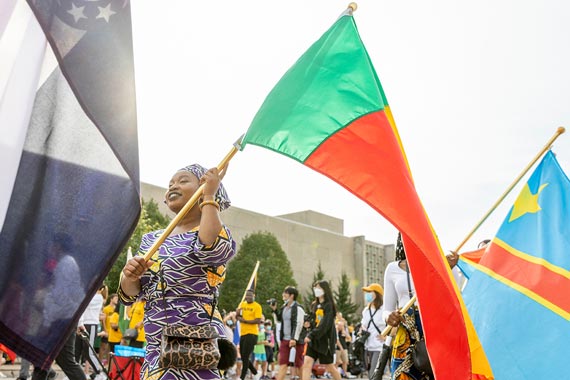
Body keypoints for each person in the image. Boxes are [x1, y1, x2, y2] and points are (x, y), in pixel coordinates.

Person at [119, 164, 237, 380]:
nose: (174, 186)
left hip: (195, 344)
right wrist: (129, 276)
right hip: (158, 345)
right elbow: (130, 295)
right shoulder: (151, 239)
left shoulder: (210, 231)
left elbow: (212, 248)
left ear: (203, 188)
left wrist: (209, 195)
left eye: (183, 181)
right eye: (170, 184)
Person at [383, 233, 454, 380]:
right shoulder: (392, 269)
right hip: (405, 337)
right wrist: (389, 317)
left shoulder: (437, 265)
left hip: (433, 334)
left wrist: (448, 272)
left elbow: (449, 303)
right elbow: (387, 309)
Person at [301, 280, 342, 380]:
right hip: (314, 340)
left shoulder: (329, 306)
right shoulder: (314, 305)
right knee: (306, 364)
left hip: (325, 340)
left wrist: (311, 335)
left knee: (330, 367)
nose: (316, 290)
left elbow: (325, 325)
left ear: (325, 289)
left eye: (319, 288)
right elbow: (313, 320)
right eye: (315, 288)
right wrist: (308, 323)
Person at [269, 286, 305, 380]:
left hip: (296, 341)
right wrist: (275, 310)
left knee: (298, 365)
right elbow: (280, 320)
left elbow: (298, 324)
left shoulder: (298, 308)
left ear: (292, 295)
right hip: (285, 339)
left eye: (285, 293)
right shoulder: (284, 307)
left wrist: (294, 338)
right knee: (283, 363)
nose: (283, 295)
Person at [360, 283, 386, 379]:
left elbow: (392, 325)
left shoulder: (384, 309)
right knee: (370, 373)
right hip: (367, 346)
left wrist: (386, 336)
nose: (367, 294)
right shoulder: (366, 310)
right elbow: (363, 324)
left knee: (374, 374)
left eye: (370, 292)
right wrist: (361, 330)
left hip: (379, 346)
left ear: (377, 294)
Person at [237, 290, 262, 380]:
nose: (248, 297)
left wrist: (245, 321)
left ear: (253, 296)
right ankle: (255, 373)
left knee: (246, 355)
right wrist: (238, 313)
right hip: (243, 333)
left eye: (250, 295)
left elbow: (258, 320)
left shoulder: (257, 306)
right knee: (243, 356)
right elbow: (238, 316)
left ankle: (242, 377)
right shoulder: (242, 305)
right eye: (247, 295)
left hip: (252, 333)